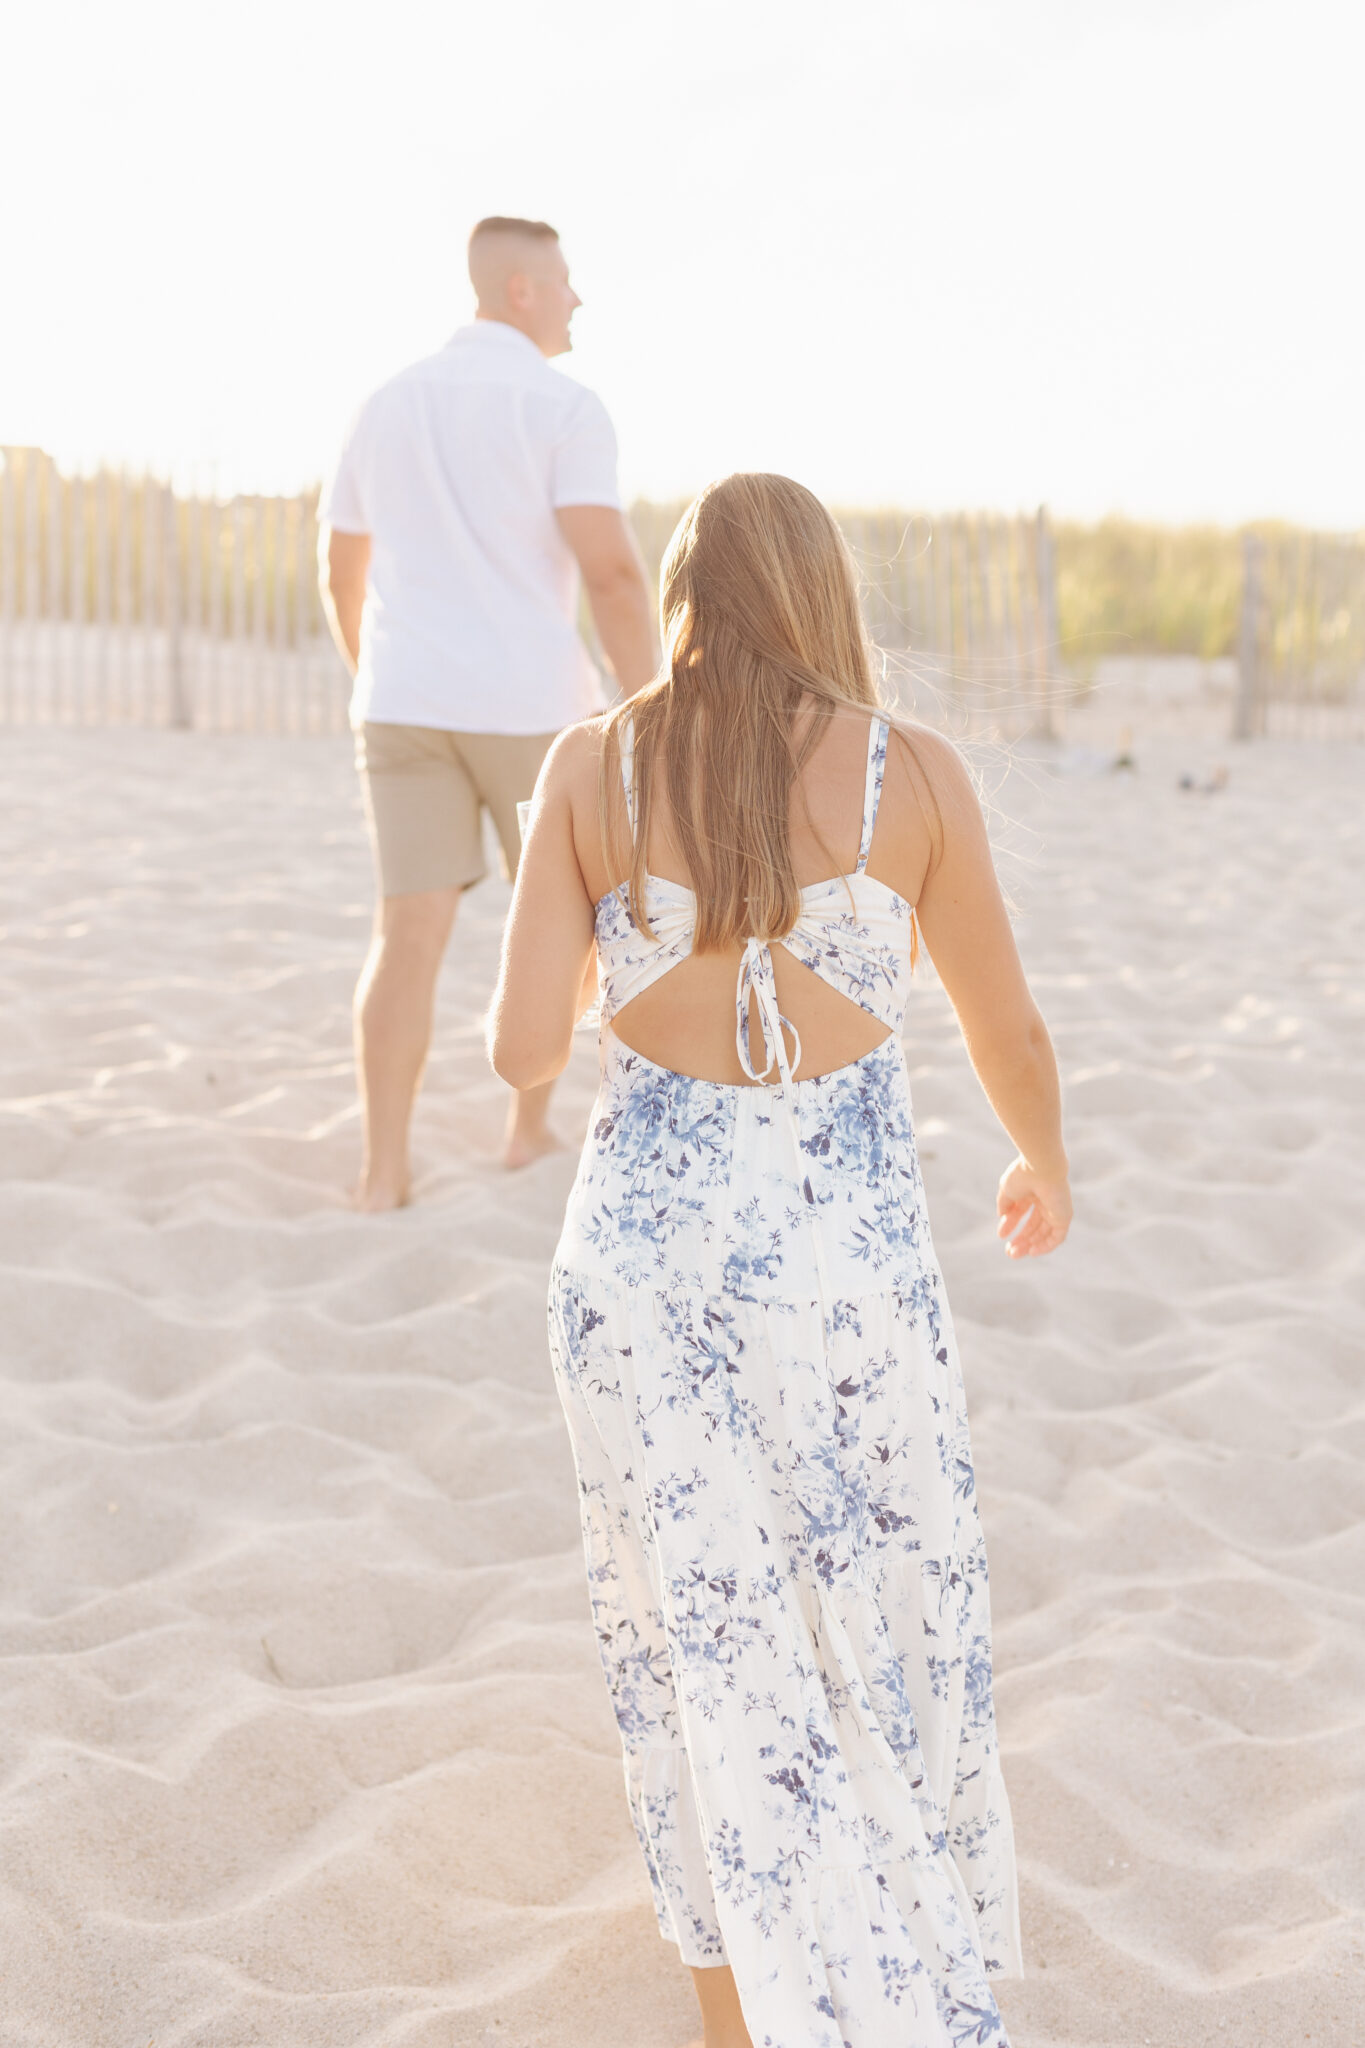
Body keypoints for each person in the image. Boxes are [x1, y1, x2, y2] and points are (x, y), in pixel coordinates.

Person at [488, 474, 1072, 2048]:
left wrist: (613, 924)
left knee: (691, 1649)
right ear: (823, 595)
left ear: (681, 595)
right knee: (876, 1632)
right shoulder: (914, 778)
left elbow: (519, 1047)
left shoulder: (591, 767)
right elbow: (1005, 1027)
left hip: (638, 1279)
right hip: (842, 1283)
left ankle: (734, 2023)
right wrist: (1046, 1163)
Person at [319, 215, 655, 1206]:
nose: (576, 299)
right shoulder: (563, 406)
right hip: (532, 710)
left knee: (405, 937)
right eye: (563, 282)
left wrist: (374, 674)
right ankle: (526, 1130)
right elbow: (615, 576)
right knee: (566, 925)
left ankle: (383, 1171)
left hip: (404, 705)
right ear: (520, 290)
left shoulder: (382, 401)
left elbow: (341, 567)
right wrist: (647, 704)